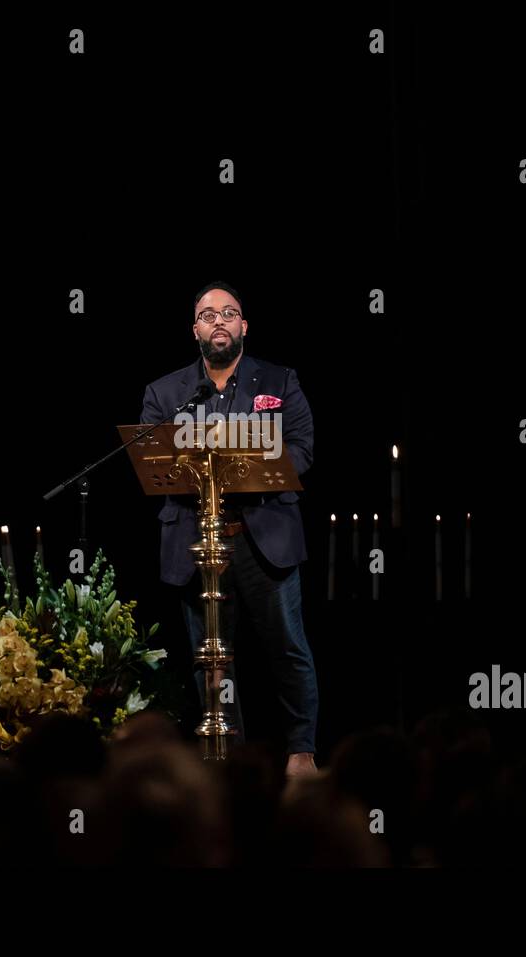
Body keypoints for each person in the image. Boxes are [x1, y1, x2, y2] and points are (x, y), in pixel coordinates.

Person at [139, 281, 320, 777]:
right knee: (212, 658)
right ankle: (230, 762)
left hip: (263, 540)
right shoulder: (164, 393)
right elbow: (153, 459)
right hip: (196, 542)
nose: (219, 320)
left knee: (287, 647)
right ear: (194, 329)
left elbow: (302, 449)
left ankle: (301, 752)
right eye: (208, 314)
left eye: (230, 313)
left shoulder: (279, 381)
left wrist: (249, 465)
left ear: (244, 326)